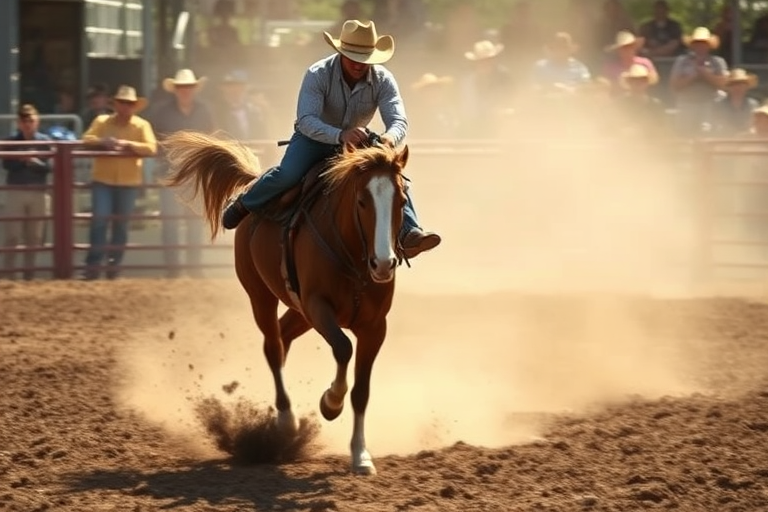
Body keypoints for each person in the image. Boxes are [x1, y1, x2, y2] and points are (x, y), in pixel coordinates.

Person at [222, 19, 440, 259]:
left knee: (393, 177)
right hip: (313, 140)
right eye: (353, 56)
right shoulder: (318, 74)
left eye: (365, 58)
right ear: (341, 52)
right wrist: (339, 135)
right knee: (289, 174)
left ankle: (410, 232)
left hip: (357, 144)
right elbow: (306, 120)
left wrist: (389, 138)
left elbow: (399, 120)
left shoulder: (384, 79)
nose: (359, 64)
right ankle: (246, 201)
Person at [80, 85, 157, 280]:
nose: (125, 107)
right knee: (100, 220)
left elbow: (151, 148)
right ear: (115, 104)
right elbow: (86, 139)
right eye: (122, 103)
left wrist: (128, 145)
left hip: (127, 182)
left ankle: (113, 265)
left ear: (134, 106)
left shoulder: (141, 125)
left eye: (129, 103)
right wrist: (102, 141)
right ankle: (94, 266)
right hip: (104, 180)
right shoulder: (102, 122)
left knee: (120, 225)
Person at [1, 104, 52, 280]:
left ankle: (29, 276)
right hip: (16, 191)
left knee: (34, 237)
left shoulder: (45, 141)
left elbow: (49, 167)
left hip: (38, 192)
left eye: (30, 120)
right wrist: (23, 160)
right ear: (18, 123)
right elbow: (7, 165)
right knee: (12, 235)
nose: (27, 124)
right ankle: (9, 276)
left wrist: (35, 161)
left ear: (36, 122)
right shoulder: (11, 142)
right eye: (24, 120)